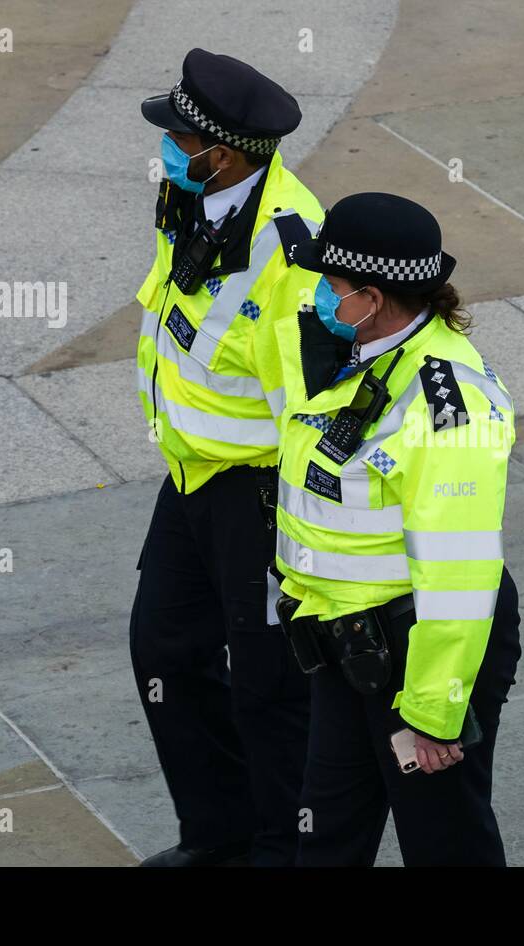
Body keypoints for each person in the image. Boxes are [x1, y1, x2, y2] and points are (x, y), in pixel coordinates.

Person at [270, 192, 521, 866]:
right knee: (325, 836)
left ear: (373, 297)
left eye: (334, 285)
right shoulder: (354, 352)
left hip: (420, 649)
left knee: (444, 843)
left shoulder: (449, 404)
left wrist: (434, 709)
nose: (322, 295)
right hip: (345, 642)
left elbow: (460, 571)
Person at [129, 48, 323, 866]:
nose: (168, 148)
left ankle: (285, 851)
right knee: (164, 652)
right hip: (191, 477)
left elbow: (308, 407)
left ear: (229, 152)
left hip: (258, 495)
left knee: (269, 688)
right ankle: (218, 838)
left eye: (181, 137)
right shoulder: (190, 194)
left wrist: (296, 536)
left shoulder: (293, 249)